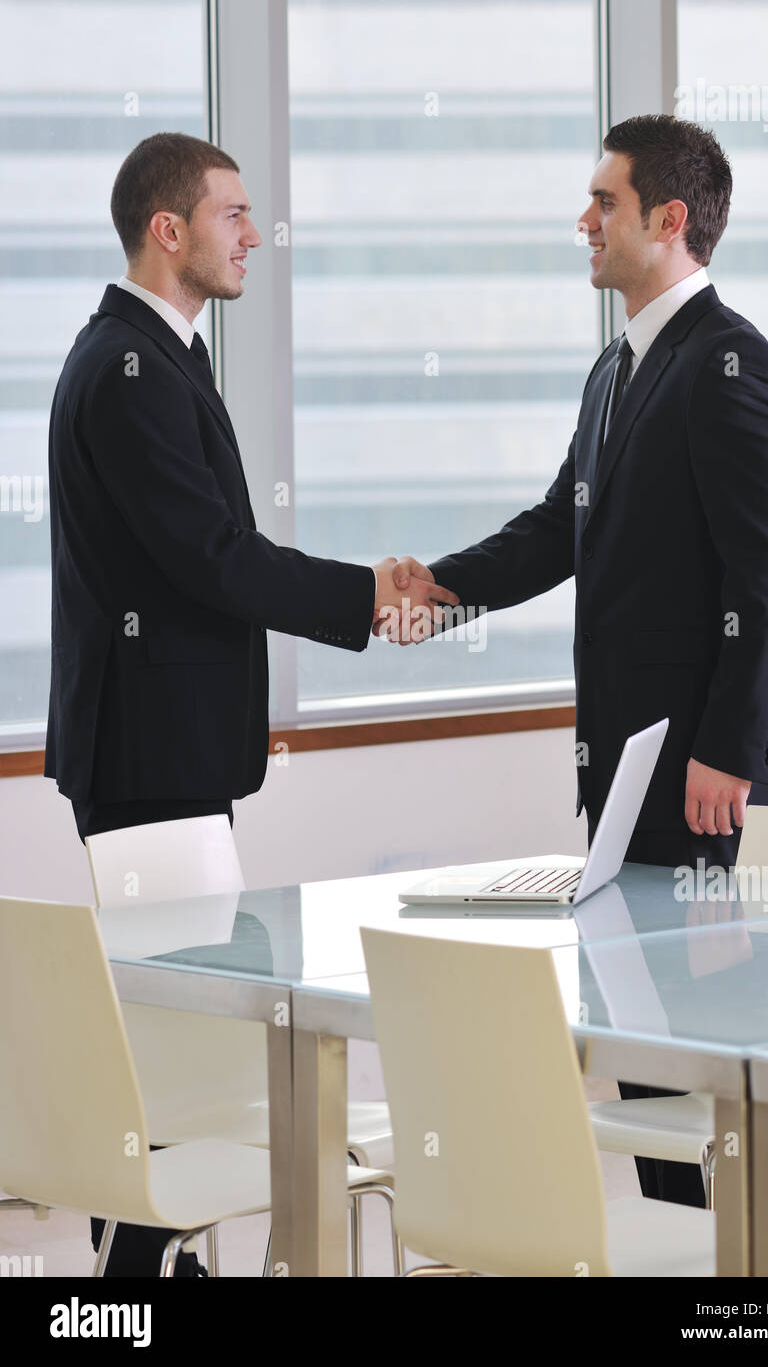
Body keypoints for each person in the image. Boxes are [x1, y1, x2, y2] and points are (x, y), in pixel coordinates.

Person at [44, 131, 458, 1274]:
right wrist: (365, 596)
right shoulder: (128, 367)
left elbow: (207, 556)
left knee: (185, 1047)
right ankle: (132, 1281)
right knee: (187, 1056)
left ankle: (142, 1272)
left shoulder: (154, 355)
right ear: (166, 229)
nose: (253, 236)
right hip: (147, 765)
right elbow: (212, 556)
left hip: (161, 762)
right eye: (232, 215)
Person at [385, 114, 768, 1208]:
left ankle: (746, 1295)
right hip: (623, 788)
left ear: (668, 220)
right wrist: (437, 592)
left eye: (603, 202)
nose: (583, 221)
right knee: (647, 1062)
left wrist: (731, 748)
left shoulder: (729, 364)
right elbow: (552, 530)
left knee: (712, 1078)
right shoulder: (615, 370)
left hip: (701, 791)